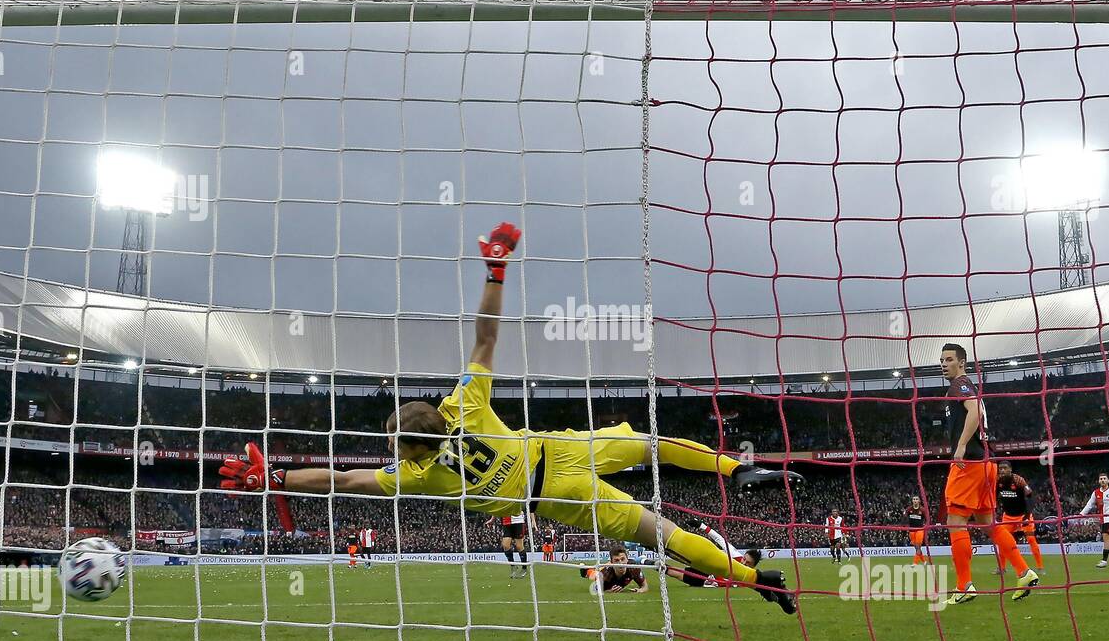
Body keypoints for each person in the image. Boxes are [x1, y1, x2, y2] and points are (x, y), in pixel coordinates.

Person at [219, 222, 801, 613]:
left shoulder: (425, 478)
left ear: (411, 450)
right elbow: (487, 334)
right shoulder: (462, 404)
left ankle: (752, 579)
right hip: (559, 449)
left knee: (661, 532)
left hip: (560, 497)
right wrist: (495, 269)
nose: (395, 458)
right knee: (652, 443)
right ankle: (732, 468)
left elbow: (344, 481)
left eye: (398, 448)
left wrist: (276, 478)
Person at [939, 343, 1038, 605]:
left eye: (949, 359)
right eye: (942, 360)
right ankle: (1024, 571)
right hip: (987, 464)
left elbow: (972, 410)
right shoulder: (968, 387)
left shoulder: (960, 385)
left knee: (955, 522)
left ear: (961, 363)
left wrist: (960, 447)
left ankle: (964, 586)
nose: (943, 363)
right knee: (989, 525)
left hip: (969, 464)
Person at [993, 462, 1043, 576]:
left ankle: (1040, 567)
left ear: (1010, 469)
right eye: (1000, 468)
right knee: (1002, 541)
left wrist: (1026, 516)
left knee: (1031, 539)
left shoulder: (1018, 480)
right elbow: (993, 496)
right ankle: (1001, 568)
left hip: (1023, 516)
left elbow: (1030, 497)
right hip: (1008, 517)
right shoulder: (997, 481)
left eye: (1005, 468)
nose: (1002, 470)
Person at [1079, 473, 1109, 568]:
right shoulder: (1096, 493)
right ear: (1099, 481)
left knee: (1106, 538)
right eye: (1101, 479)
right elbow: (1090, 504)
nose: (1103, 480)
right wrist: (1081, 514)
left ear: (1108, 480)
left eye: (1104, 478)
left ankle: (1104, 561)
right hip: (1103, 520)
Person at [580, 546, 649, 594]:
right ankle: (585, 571)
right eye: (616, 560)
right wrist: (609, 591)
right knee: (594, 574)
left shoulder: (633, 568)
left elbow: (644, 586)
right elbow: (595, 589)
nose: (620, 563)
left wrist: (640, 590)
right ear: (611, 562)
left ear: (627, 559)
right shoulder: (605, 574)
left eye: (623, 559)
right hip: (604, 575)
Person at [905, 495, 929, 564]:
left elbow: (927, 519)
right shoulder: (909, 509)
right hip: (911, 531)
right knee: (916, 548)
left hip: (920, 530)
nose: (915, 500)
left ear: (919, 501)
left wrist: (926, 526)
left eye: (916, 499)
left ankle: (915, 563)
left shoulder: (922, 510)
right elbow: (905, 518)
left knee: (918, 547)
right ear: (912, 501)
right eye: (914, 499)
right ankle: (924, 561)